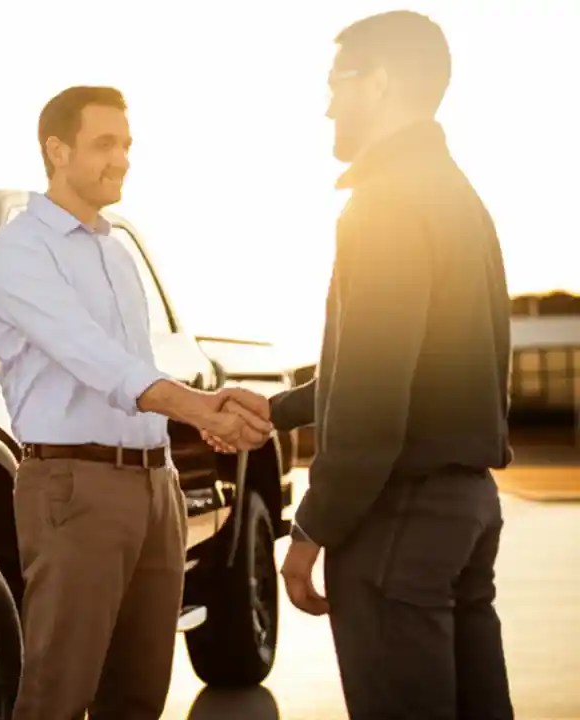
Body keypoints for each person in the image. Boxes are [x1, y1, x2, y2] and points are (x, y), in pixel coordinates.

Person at [213, 11, 514, 720]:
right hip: (466, 510)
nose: (326, 104)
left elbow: (376, 398)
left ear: (378, 84)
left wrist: (309, 529)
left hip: (397, 518)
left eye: (336, 84)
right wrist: (278, 410)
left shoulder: (385, 204)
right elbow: (414, 367)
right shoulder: (458, 196)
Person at [0, 85, 274, 720]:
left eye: (127, 144)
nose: (122, 159)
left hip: (154, 488)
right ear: (57, 151)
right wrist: (199, 409)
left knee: (140, 697)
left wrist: (204, 407)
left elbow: (138, 371)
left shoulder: (116, 251)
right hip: (74, 487)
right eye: (104, 144)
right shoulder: (21, 248)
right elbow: (95, 360)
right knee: (58, 694)